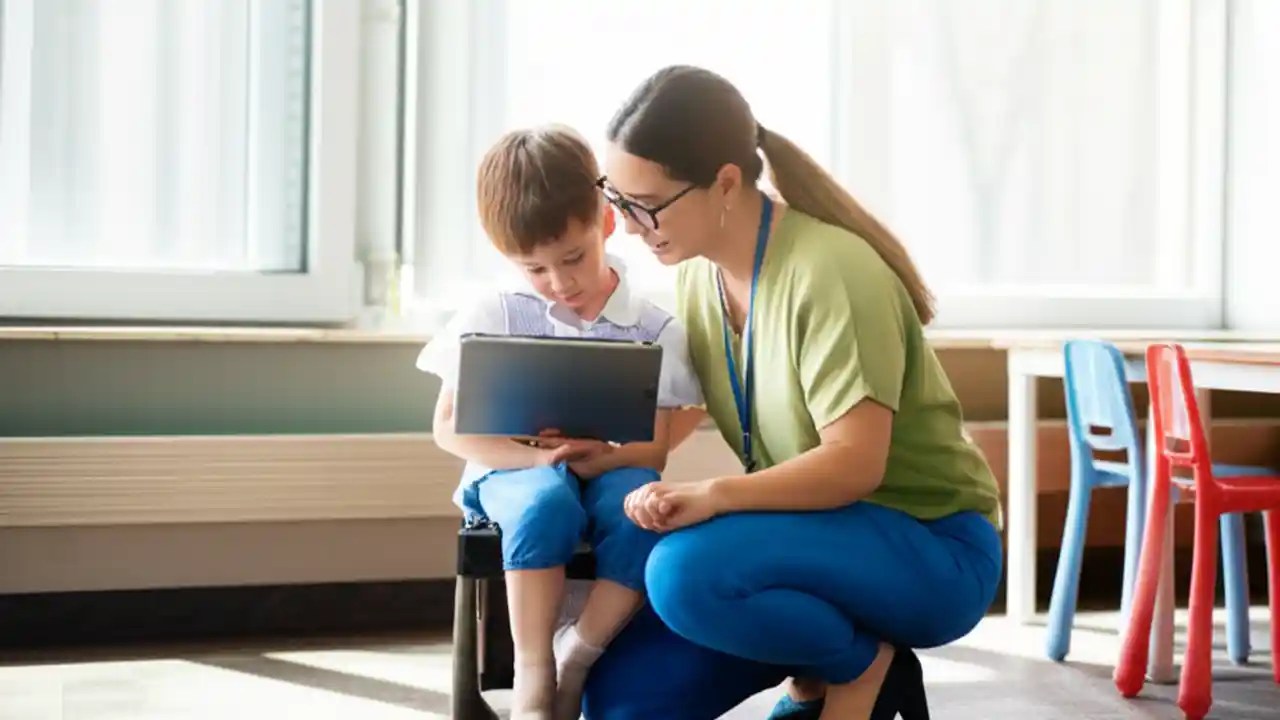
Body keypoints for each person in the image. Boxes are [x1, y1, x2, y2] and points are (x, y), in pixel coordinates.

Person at [585, 65, 1005, 720]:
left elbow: (854, 464)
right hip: (812, 540)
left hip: (929, 548)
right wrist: (590, 447)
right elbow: (689, 413)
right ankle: (829, 662)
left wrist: (714, 496)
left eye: (647, 204)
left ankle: (855, 665)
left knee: (682, 575)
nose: (630, 226)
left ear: (724, 181)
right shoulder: (699, 277)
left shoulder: (833, 272)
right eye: (617, 198)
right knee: (621, 704)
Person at [416, 125, 704, 720]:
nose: (560, 282)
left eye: (573, 258)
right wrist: (535, 458)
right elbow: (448, 427)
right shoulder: (493, 311)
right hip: (515, 470)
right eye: (535, 269)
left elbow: (657, 446)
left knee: (646, 508)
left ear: (603, 223)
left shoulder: (653, 325)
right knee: (544, 502)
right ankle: (534, 674)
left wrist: (608, 456)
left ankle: (578, 655)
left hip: (612, 467)